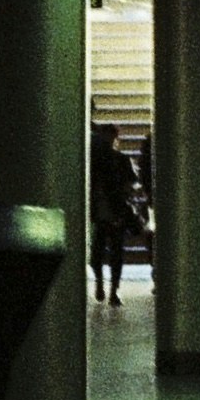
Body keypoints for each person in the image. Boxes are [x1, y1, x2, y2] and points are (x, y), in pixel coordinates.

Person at [88, 122, 144, 307]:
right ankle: (110, 290)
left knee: (101, 252)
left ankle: (105, 287)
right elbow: (133, 183)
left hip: (106, 211)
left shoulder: (96, 161)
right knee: (113, 253)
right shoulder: (118, 159)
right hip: (115, 211)